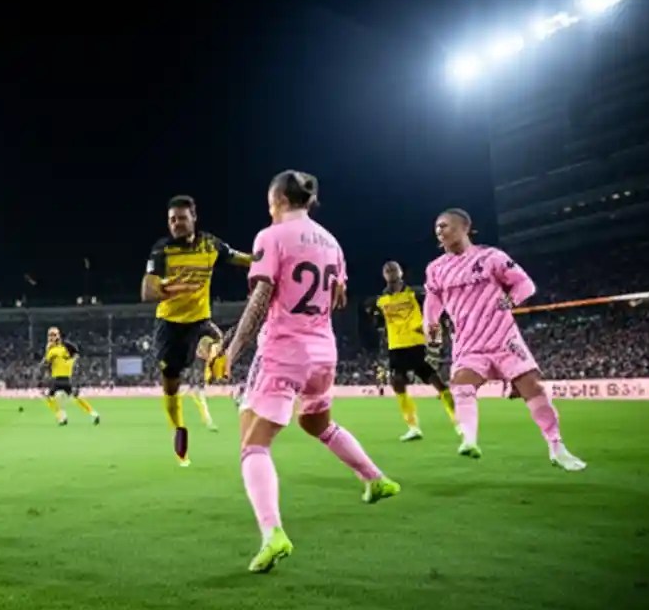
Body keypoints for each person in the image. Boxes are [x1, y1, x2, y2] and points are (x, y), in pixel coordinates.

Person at [224, 170, 400, 574]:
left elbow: (261, 298)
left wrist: (233, 349)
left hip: (284, 350)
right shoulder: (332, 242)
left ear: (277, 199)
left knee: (253, 446)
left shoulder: (270, 236)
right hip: (323, 351)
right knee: (318, 424)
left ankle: (273, 534)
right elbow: (338, 295)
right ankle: (374, 478)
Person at [423, 209, 586, 470]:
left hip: (504, 339)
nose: (439, 231)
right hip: (469, 342)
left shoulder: (491, 257)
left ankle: (557, 447)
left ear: (465, 226)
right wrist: (431, 327)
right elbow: (432, 303)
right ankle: (469, 439)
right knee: (461, 384)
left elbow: (525, 285)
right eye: (437, 229)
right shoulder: (436, 269)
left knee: (533, 388)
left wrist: (508, 301)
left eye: (444, 226)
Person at [141, 195, 251, 466]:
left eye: (181, 218)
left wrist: (269, 259)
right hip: (169, 325)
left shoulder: (210, 244)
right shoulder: (162, 250)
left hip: (199, 321)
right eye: (171, 220)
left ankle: (216, 358)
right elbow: (147, 291)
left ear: (193, 217)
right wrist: (169, 288)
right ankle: (178, 428)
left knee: (212, 342)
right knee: (170, 383)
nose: (176, 224)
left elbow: (242, 258)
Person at [375, 261, 458, 441]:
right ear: (384, 275)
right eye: (387, 270)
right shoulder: (381, 301)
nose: (390, 272)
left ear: (401, 272)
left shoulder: (416, 293)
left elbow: (435, 313)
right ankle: (413, 427)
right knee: (397, 384)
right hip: (397, 347)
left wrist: (435, 340)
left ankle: (458, 421)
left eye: (393, 269)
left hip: (418, 345)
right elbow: (381, 325)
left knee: (437, 382)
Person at [42, 327, 100, 426]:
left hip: (58, 379)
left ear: (58, 335)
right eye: (50, 335)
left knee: (49, 398)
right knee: (75, 398)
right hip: (66, 379)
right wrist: (71, 361)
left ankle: (61, 417)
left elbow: (45, 364)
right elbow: (76, 354)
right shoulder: (62, 347)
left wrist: (48, 352)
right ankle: (93, 413)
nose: (51, 337)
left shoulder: (55, 349)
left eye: (53, 335)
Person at [183, 334, 225, 432]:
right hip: (198, 382)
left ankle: (207, 420)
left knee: (196, 398)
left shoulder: (201, 357)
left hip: (197, 381)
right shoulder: (201, 357)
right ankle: (209, 421)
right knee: (201, 401)